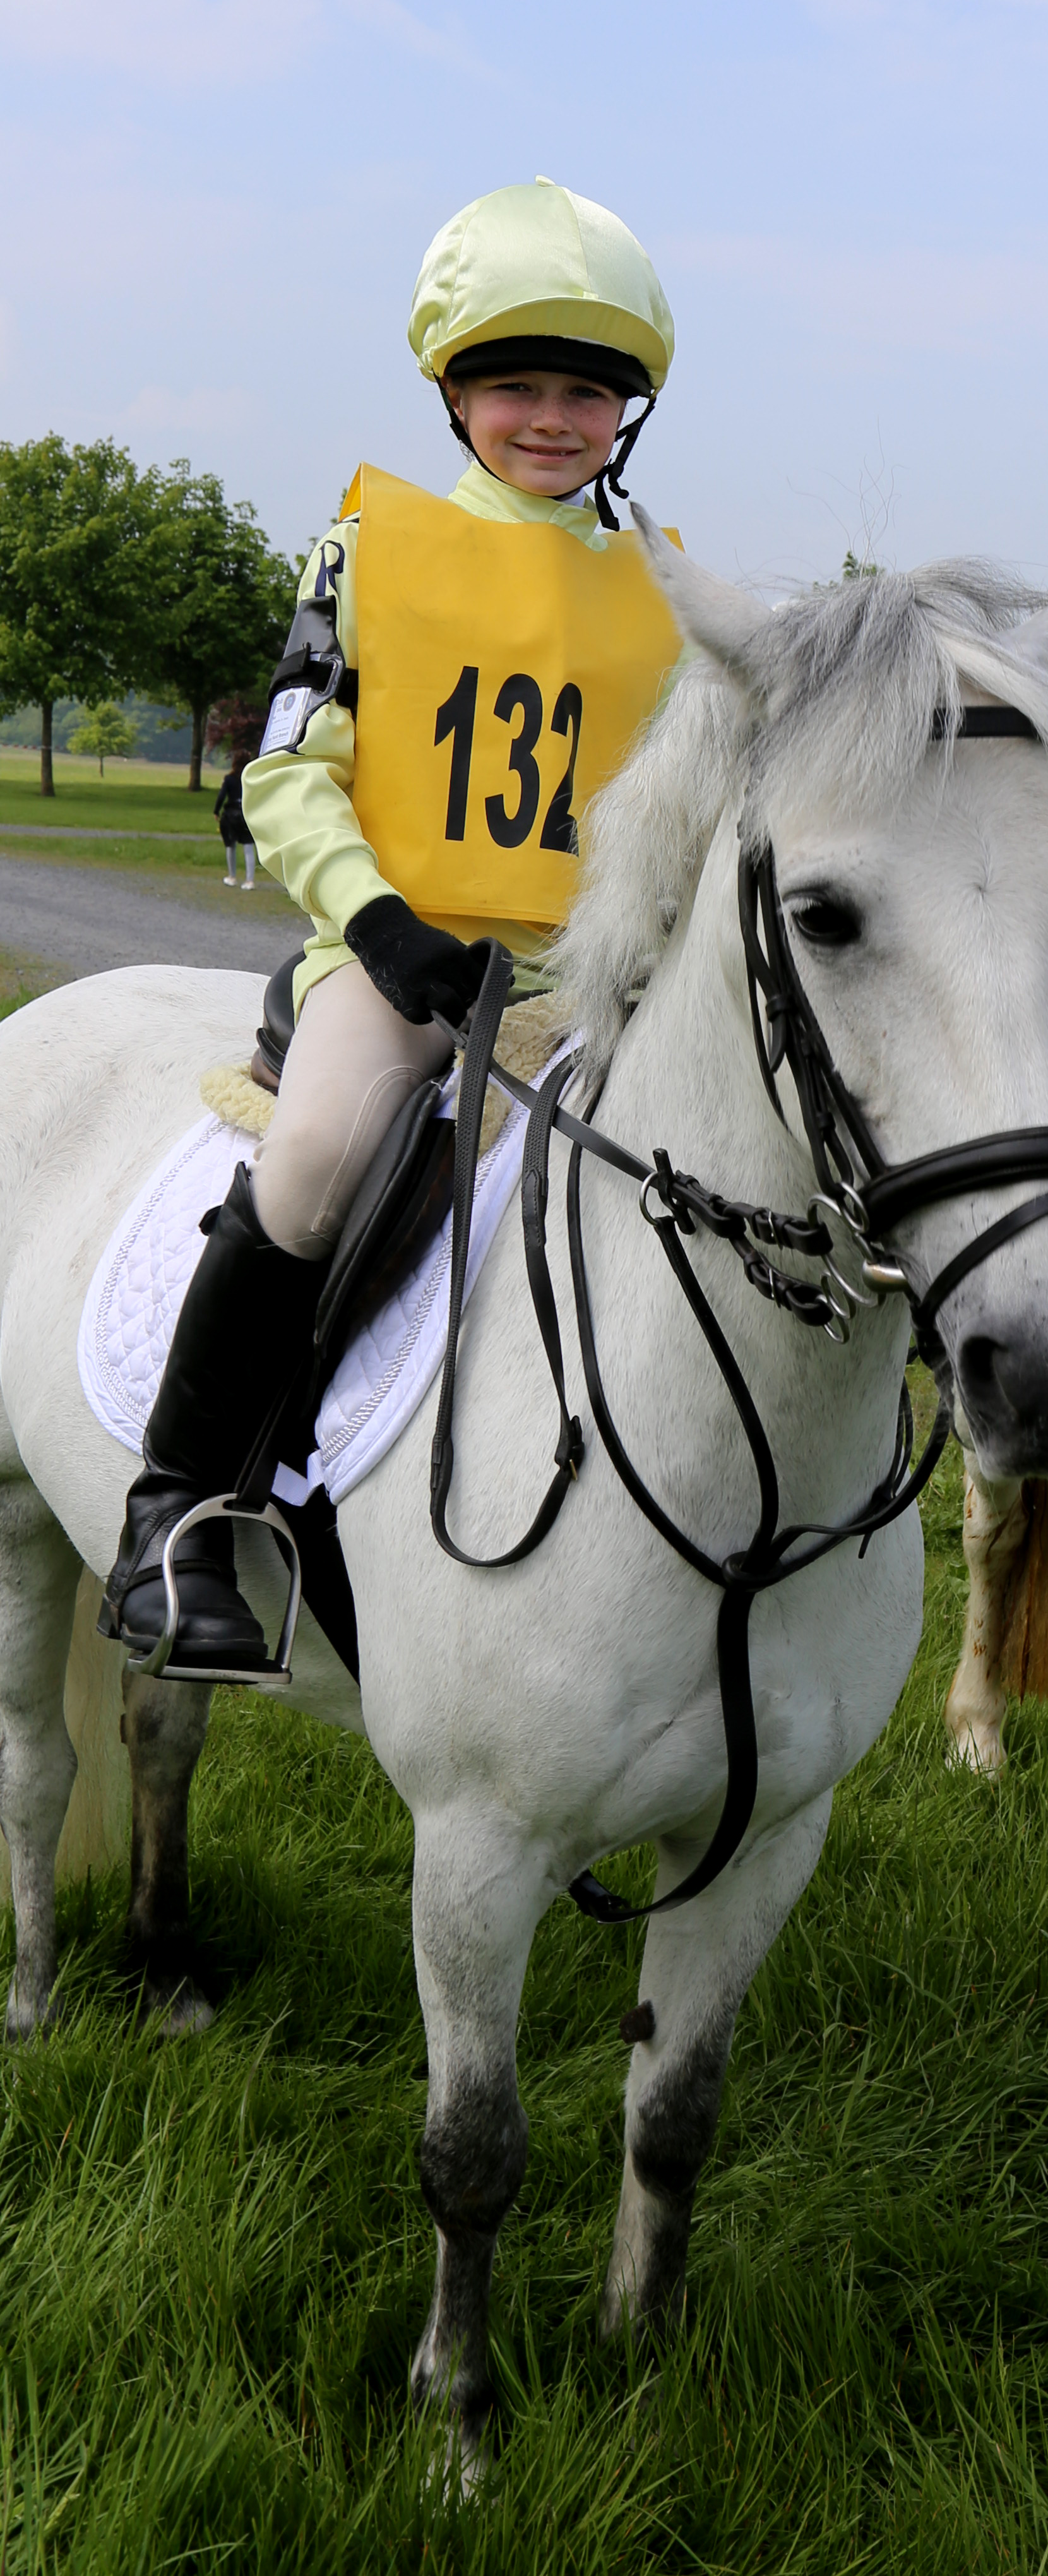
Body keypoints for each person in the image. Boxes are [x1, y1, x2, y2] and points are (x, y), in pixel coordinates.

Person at [100, 177, 686, 1677]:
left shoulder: (670, 587)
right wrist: (378, 922)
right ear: (454, 395)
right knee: (312, 1162)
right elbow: (288, 767)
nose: (550, 420)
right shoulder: (369, 546)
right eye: (514, 388)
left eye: (582, 394)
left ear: (624, 412)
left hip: (596, 976)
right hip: (403, 963)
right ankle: (177, 1513)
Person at [213, 754, 257, 887]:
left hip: (231, 815)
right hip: (246, 814)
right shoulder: (250, 778)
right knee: (248, 847)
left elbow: (222, 796)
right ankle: (250, 880)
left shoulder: (229, 779)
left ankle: (232, 877)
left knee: (230, 845)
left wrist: (216, 811)